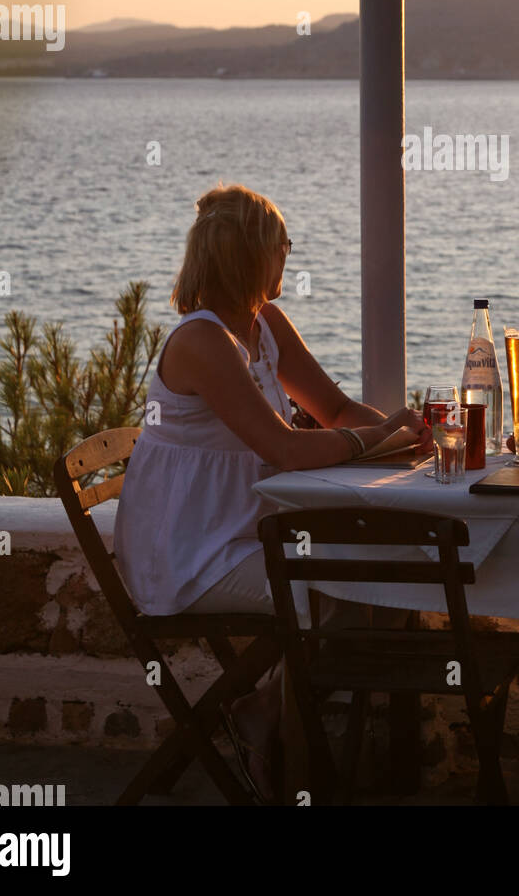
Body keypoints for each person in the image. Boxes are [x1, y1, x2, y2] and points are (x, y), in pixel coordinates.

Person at [113, 183, 426, 801]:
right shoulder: (203, 341)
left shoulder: (264, 323)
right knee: (334, 584)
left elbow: (333, 408)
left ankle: (274, 721)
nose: (290, 255)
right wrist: (380, 439)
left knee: (370, 578)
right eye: (283, 244)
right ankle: (289, 749)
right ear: (251, 255)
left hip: (241, 534)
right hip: (189, 553)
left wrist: (406, 438)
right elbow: (282, 447)